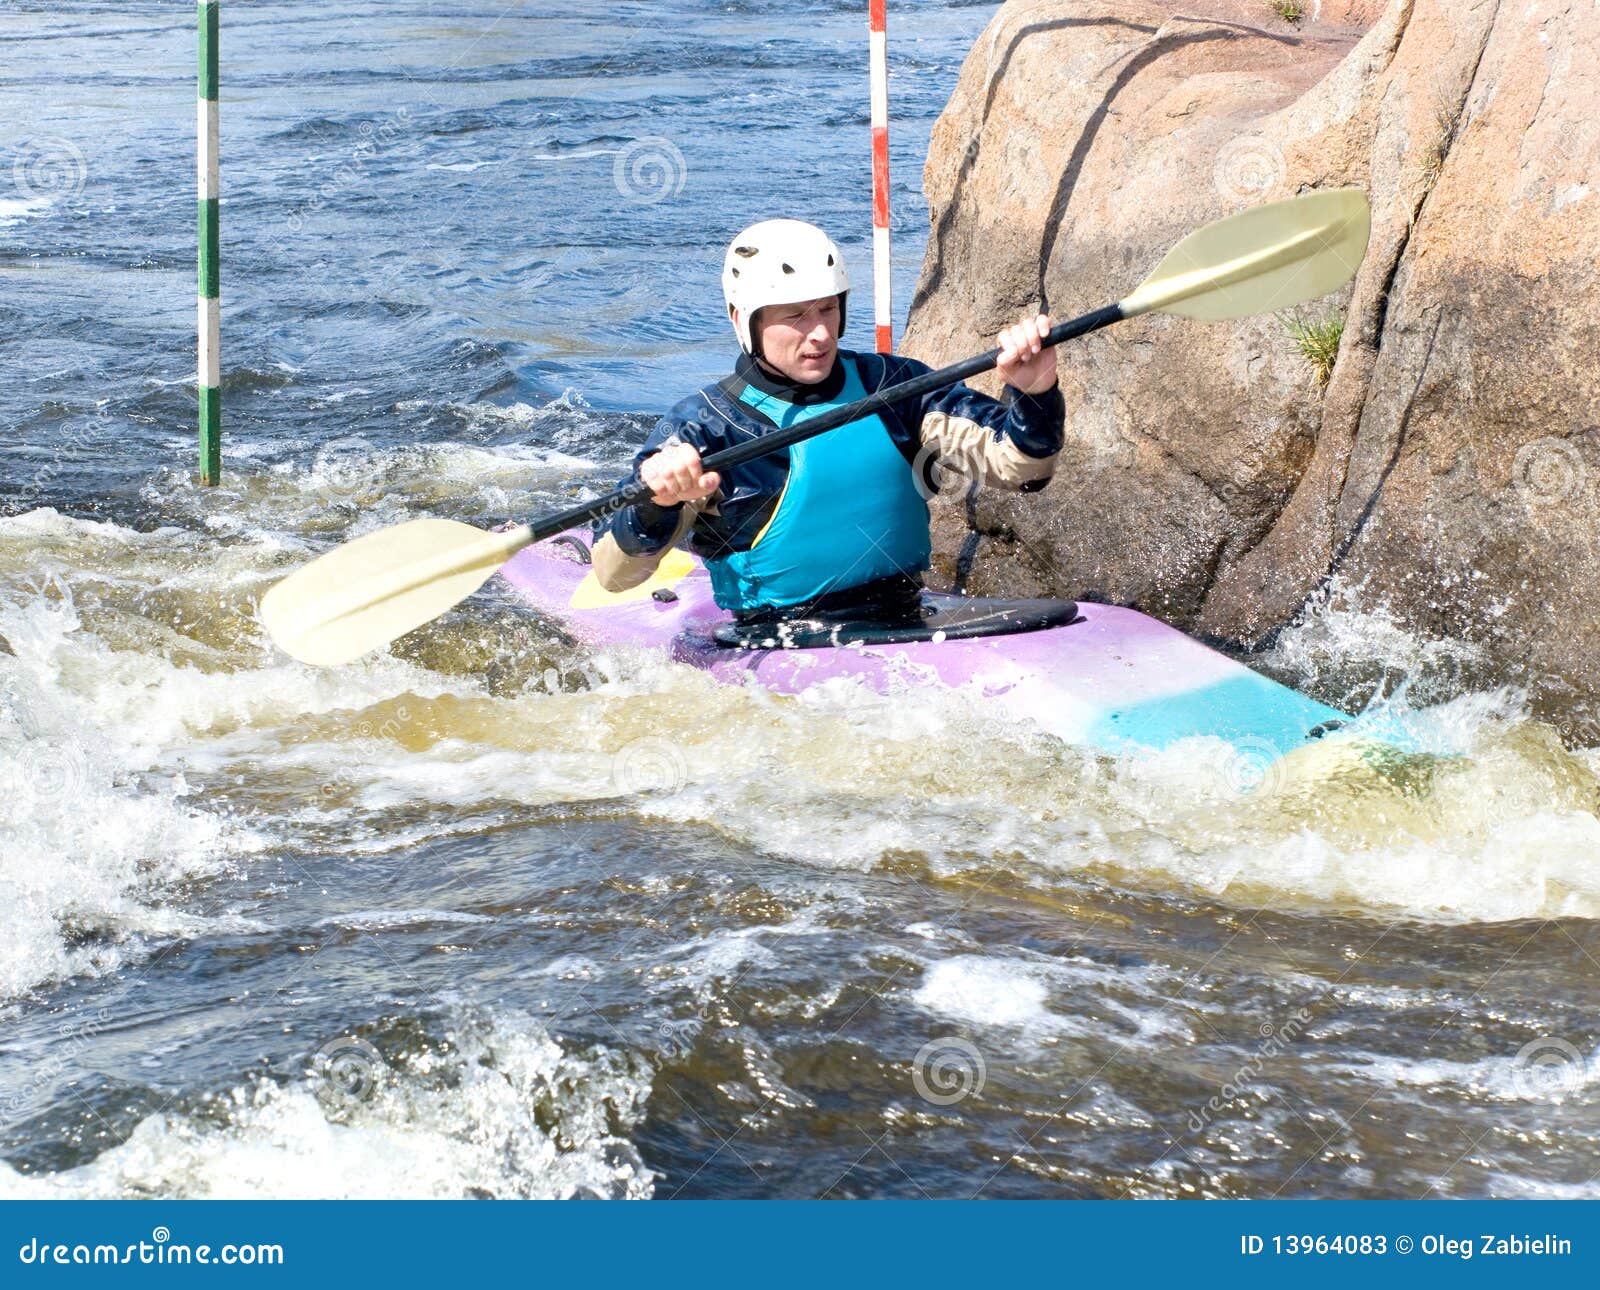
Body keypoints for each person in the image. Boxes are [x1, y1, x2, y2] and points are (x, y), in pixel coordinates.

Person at [592, 218, 1064, 624]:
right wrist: (658, 505)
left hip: (902, 611)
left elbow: (1022, 471)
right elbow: (615, 576)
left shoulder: (894, 386)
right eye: (795, 315)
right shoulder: (705, 428)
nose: (819, 332)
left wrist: (1034, 393)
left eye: (827, 309)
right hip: (774, 636)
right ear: (744, 321)